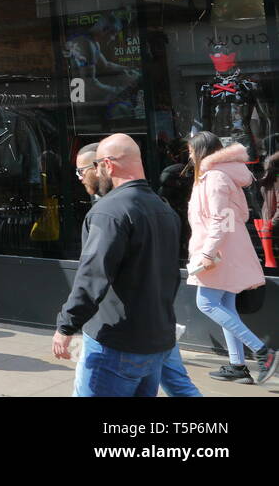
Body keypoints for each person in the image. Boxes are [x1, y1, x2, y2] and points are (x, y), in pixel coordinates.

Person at [52, 133, 182, 396]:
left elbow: (92, 276)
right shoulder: (164, 208)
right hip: (156, 340)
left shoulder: (109, 211)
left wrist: (66, 325)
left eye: (97, 165)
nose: (95, 173)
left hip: (116, 343)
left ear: (108, 165)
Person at [185, 131, 277, 385]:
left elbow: (219, 221)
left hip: (218, 252)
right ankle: (238, 365)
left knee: (207, 303)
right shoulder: (217, 175)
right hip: (225, 250)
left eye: (192, 150)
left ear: (201, 151)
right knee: (226, 306)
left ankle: (263, 352)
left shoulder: (214, 177)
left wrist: (206, 253)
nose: (190, 156)